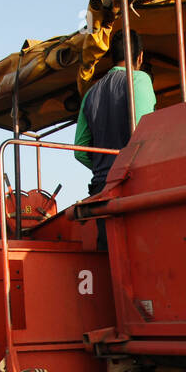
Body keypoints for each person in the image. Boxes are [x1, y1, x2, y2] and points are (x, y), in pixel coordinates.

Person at [74, 31, 156, 248]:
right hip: (132, 184)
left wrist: (104, 167)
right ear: (140, 57)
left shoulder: (90, 94)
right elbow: (144, 136)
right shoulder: (140, 79)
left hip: (101, 188)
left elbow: (80, 151)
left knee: (110, 255)